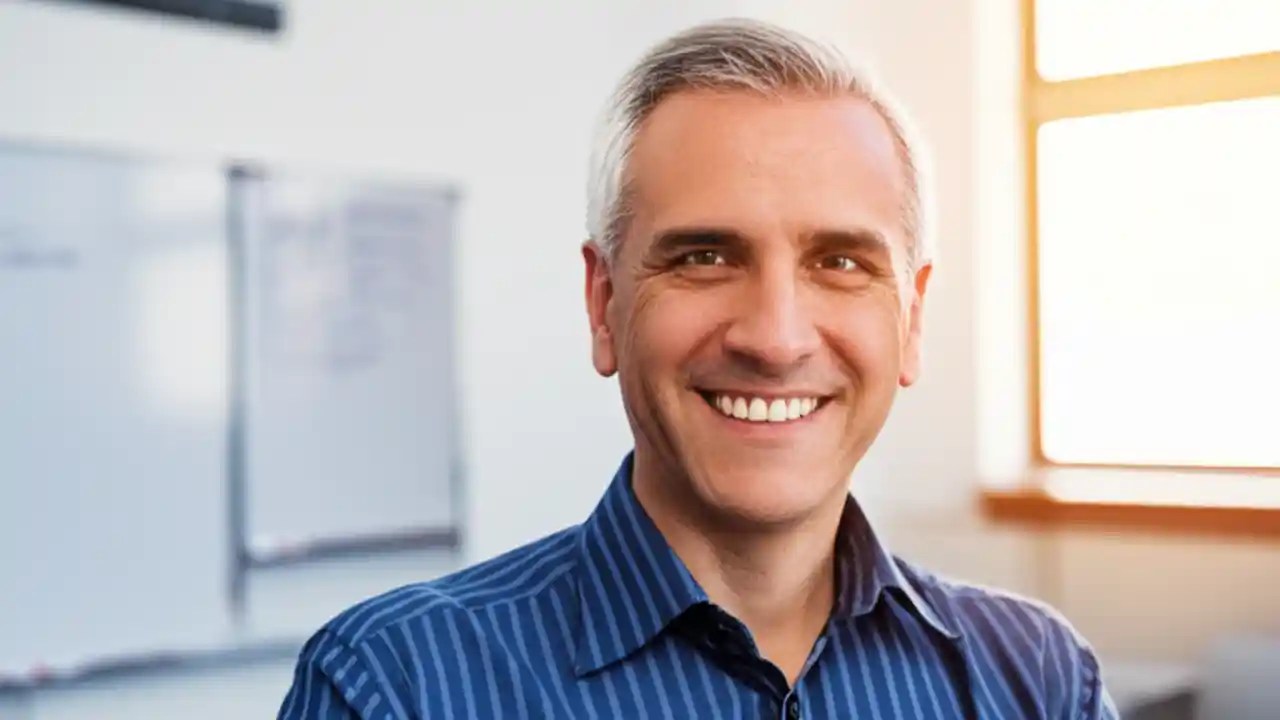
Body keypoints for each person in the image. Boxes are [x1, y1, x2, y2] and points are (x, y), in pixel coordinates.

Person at [279, 18, 1117, 720]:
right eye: (706, 256)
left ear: (913, 317)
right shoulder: (397, 687)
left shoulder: (1037, 681)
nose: (776, 338)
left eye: (842, 263)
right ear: (602, 302)